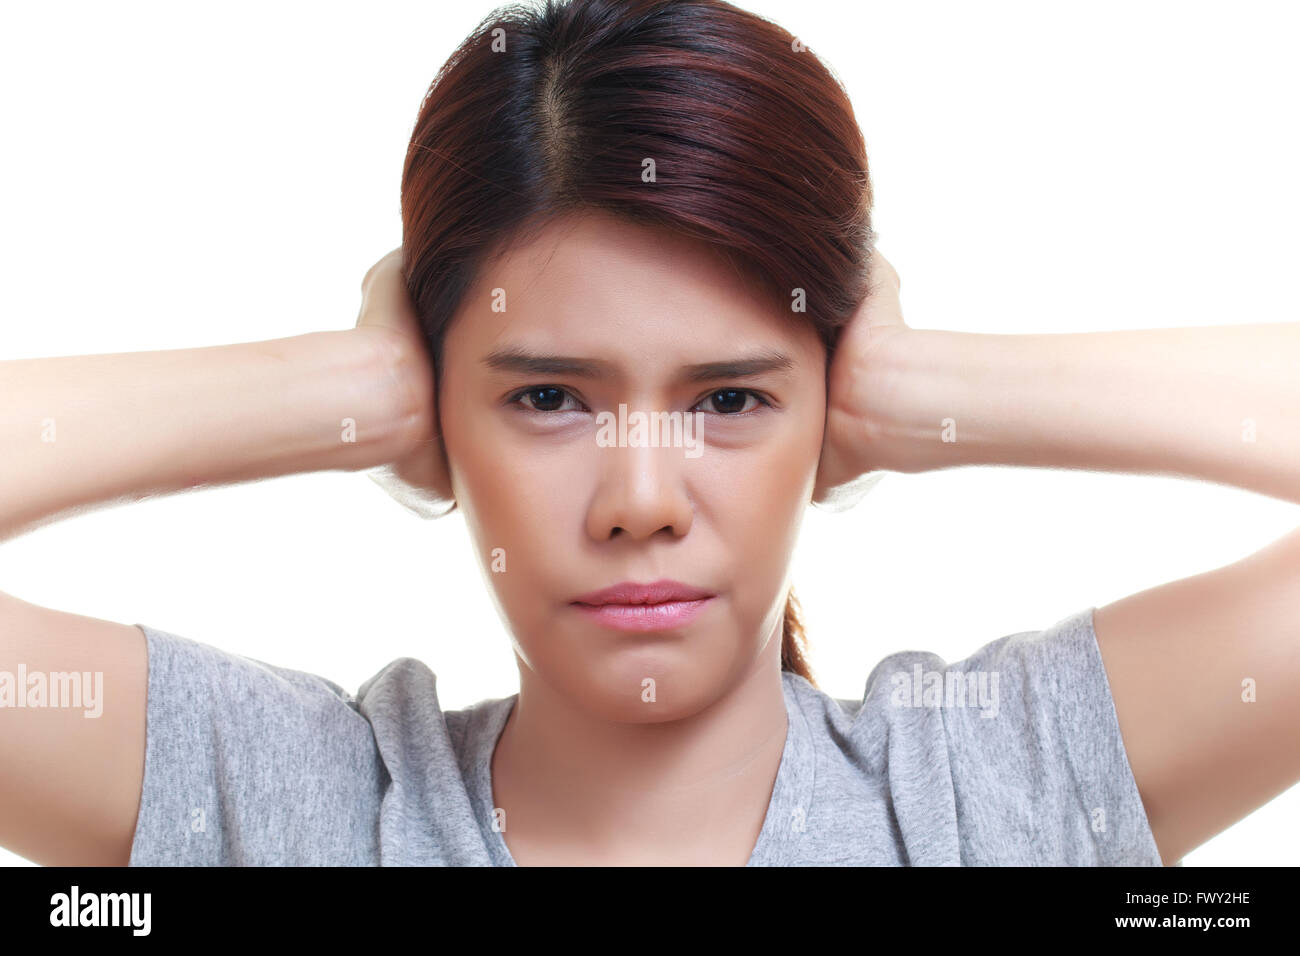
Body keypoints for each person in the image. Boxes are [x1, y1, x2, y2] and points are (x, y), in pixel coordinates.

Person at [3, 0, 1298, 867]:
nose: (639, 500)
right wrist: (352, 388)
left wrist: (922, 382)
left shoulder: (988, 795)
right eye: (547, 396)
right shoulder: (303, 808)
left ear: (828, 405)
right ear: (441, 410)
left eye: (730, 398)